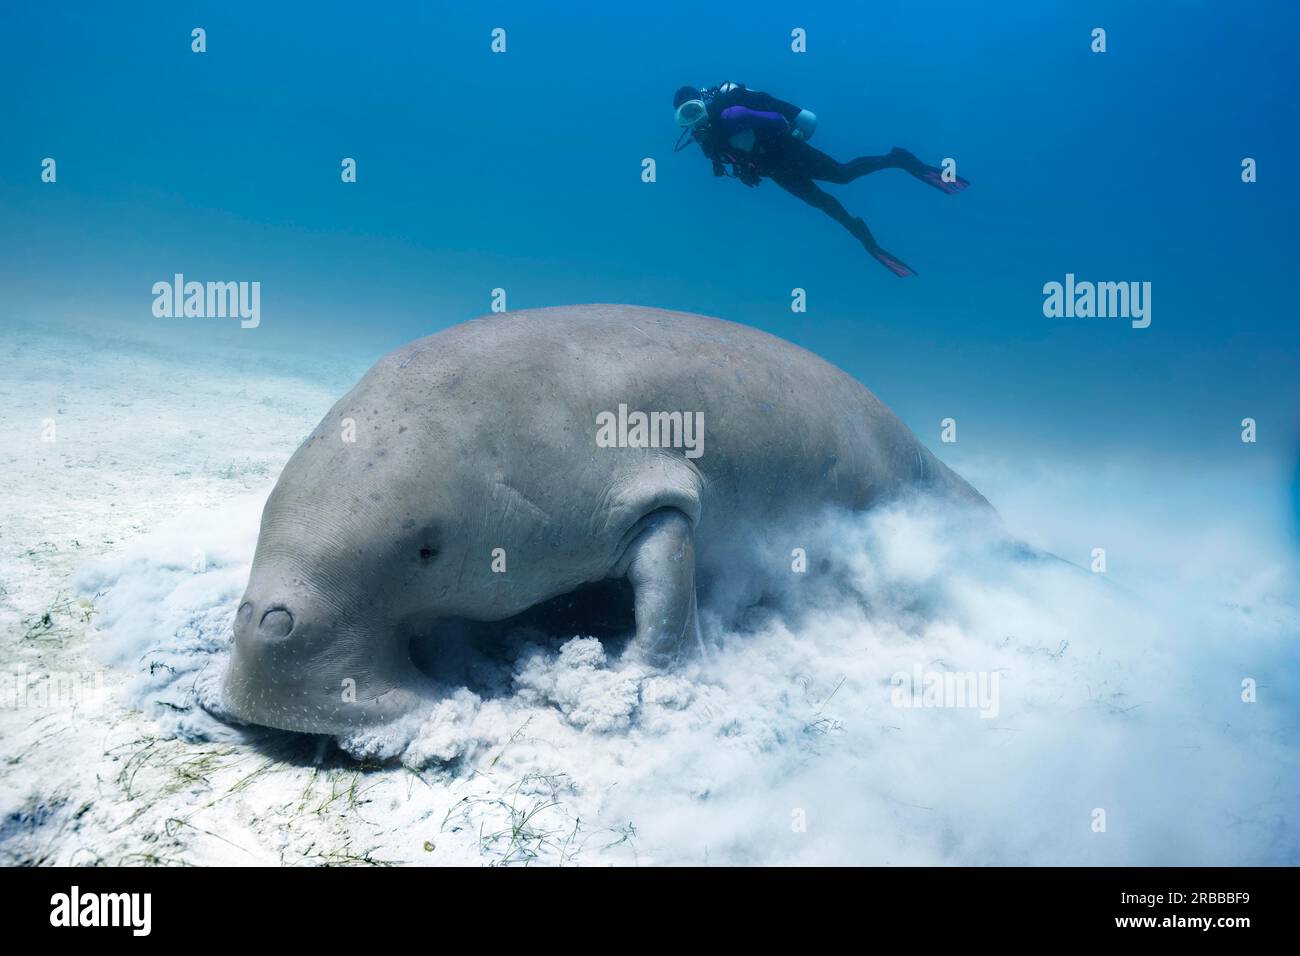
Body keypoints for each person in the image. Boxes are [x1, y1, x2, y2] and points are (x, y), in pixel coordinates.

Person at [673, 82, 969, 277]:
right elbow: (731, 159)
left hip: (790, 152)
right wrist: (746, 171)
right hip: (776, 171)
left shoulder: (732, 113)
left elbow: (776, 122)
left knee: (843, 175)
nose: (694, 120)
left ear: (702, 103)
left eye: (694, 110)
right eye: (686, 117)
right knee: (822, 204)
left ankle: (899, 159)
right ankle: (865, 239)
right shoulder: (705, 140)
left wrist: (774, 147)